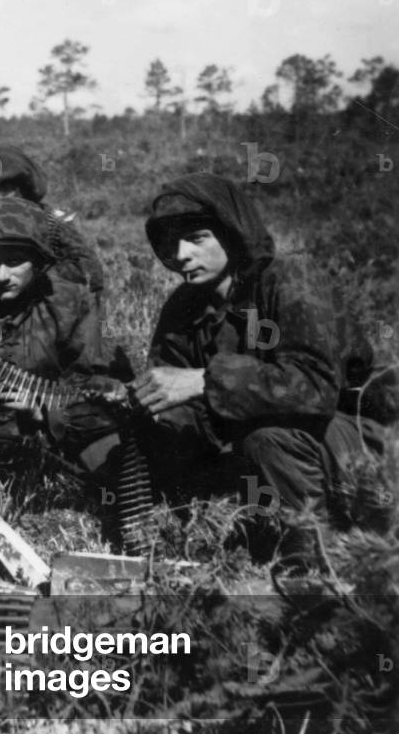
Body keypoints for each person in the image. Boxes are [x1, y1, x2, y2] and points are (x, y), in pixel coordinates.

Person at [127, 173, 385, 559]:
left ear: (232, 233)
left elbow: (315, 388)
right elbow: (177, 399)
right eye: (171, 243)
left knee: (266, 438)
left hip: (353, 442)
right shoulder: (183, 307)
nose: (181, 255)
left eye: (197, 239)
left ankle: (314, 558)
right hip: (269, 457)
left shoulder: (290, 278)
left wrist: (205, 380)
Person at [0, 195, 123, 471]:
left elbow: (100, 392)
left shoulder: (68, 306)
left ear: (38, 261)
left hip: (47, 453)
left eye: (15, 260)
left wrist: (42, 406)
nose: (2, 274)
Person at [0, 144, 104, 302]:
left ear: (23, 189)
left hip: (44, 310)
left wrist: (32, 279)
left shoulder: (51, 221)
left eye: (5, 187)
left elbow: (89, 274)